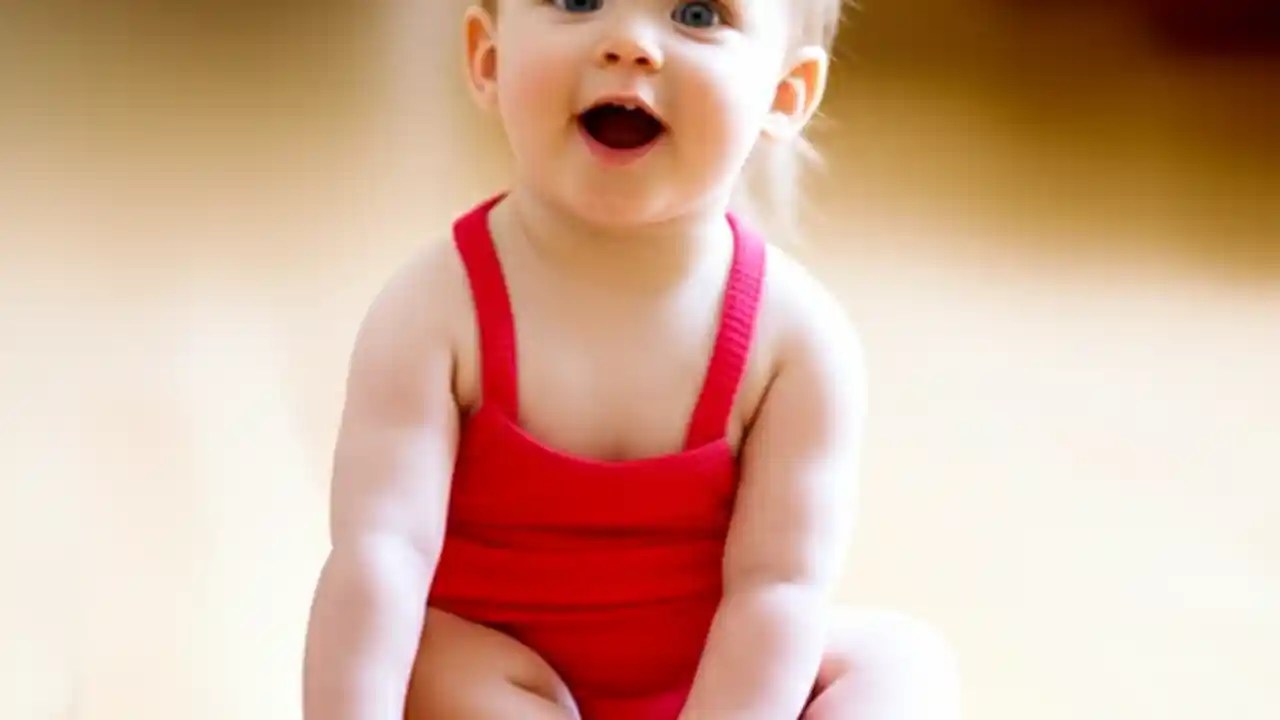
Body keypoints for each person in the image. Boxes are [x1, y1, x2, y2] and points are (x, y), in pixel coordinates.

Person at [304, 1, 959, 718]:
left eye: (698, 13)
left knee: (902, 664)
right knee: (425, 659)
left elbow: (778, 590)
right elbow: (381, 560)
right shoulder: (433, 310)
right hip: (508, 687)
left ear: (783, 94)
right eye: (578, 0)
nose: (628, 44)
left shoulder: (796, 343)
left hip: (723, 686)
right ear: (487, 58)